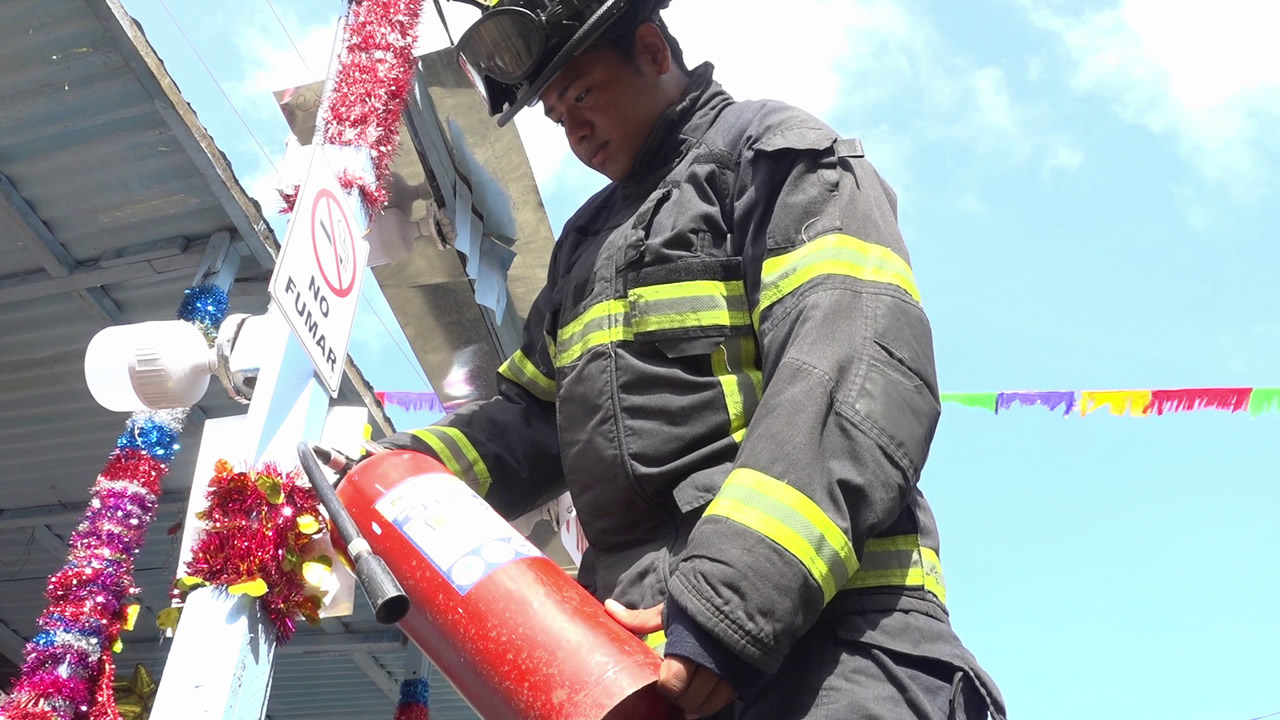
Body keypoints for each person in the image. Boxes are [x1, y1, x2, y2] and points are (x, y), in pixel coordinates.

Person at [382, 1, 1006, 717]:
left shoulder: (776, 153)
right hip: (647, 662)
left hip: (830, 647)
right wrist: (391, 470)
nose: (574, 131)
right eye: (555, 116)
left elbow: (851, 370)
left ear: (652, 50)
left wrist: (725, 609)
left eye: (581, 96)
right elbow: (531, 424)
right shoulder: (586, 241)